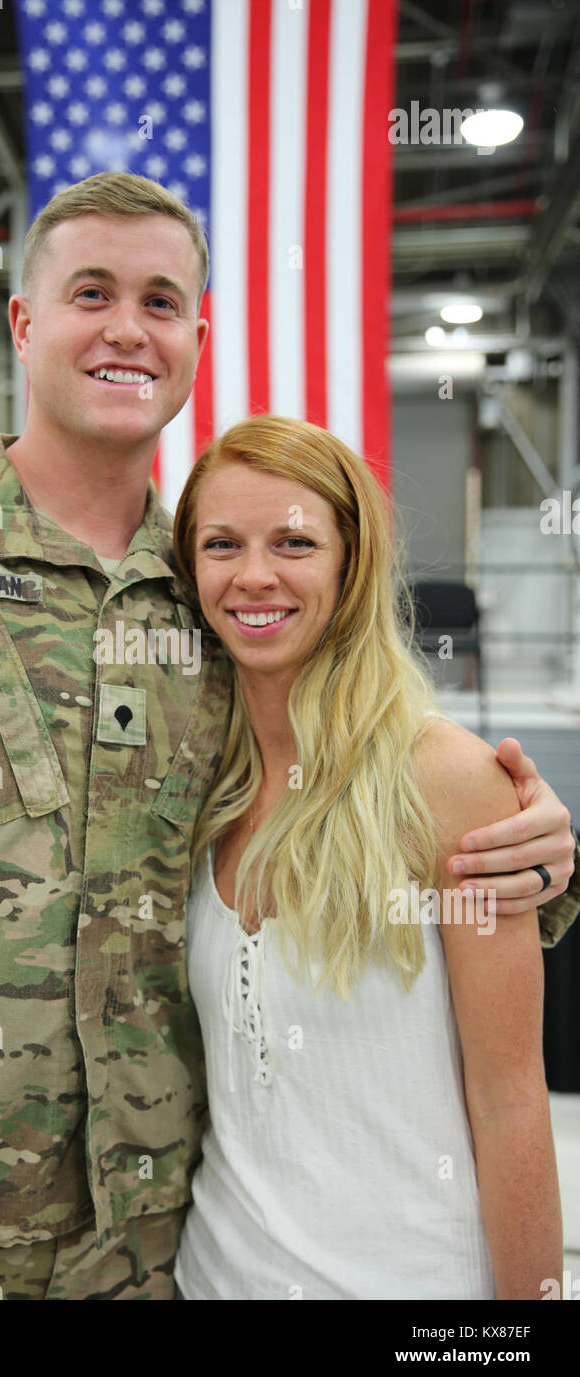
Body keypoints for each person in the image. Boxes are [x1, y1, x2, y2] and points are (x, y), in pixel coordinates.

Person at [0, 175, 577, 1302]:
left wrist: (534, 852)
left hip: (149, 1252)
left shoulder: (217, 589)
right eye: (90, 292)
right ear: (24, 323)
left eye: (160, 301)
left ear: (195, 339)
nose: (127, 327)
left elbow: (361, 775)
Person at [171, 416, 563, 1300]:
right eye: (222, 544)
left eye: (295, 542)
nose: (255, 575)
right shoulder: (191, 789)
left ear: (350, 565)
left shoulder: (448, 784)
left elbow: (511, 1105)